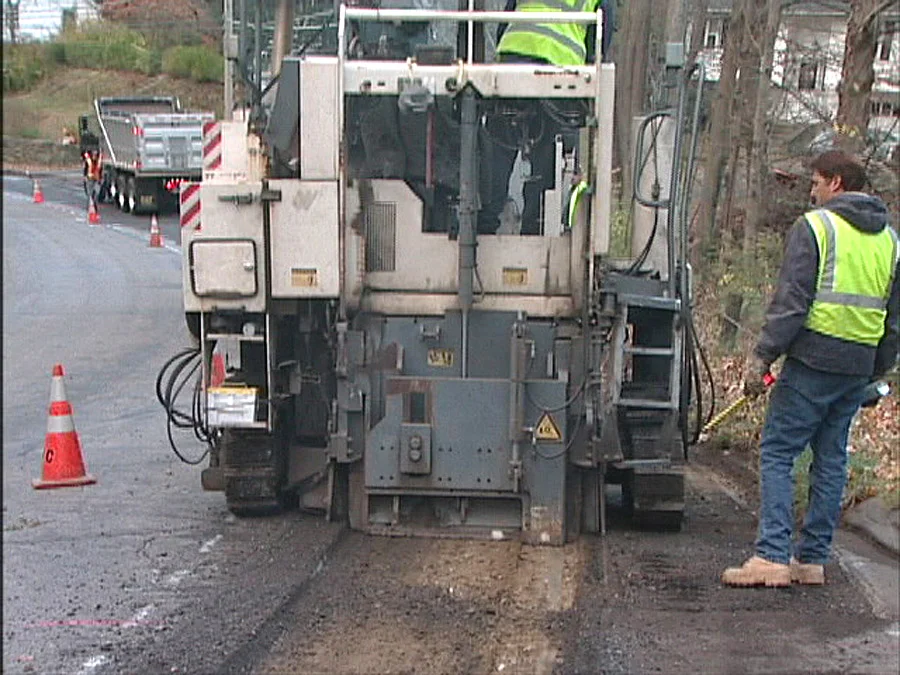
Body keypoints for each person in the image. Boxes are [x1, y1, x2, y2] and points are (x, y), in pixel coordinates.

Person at [722, 150, 899, 588]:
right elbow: (894, 320)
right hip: (857, 365)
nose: (812, 189)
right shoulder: (890, 240)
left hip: (814, 359)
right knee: (831, 459)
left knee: (779, 452)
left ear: (836, 183)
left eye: (817, 181)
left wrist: (763, 355)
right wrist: (876, 370)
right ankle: (812, 559)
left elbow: (792, 303)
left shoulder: (816, 227)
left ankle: (771, 556)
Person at [478, 0, 613, 235]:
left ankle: (483, 224)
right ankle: (534, 230)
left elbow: (506, 20)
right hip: (560, 72)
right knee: (547, 157)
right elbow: (602, 34)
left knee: (497, 149)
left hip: (512, 61)